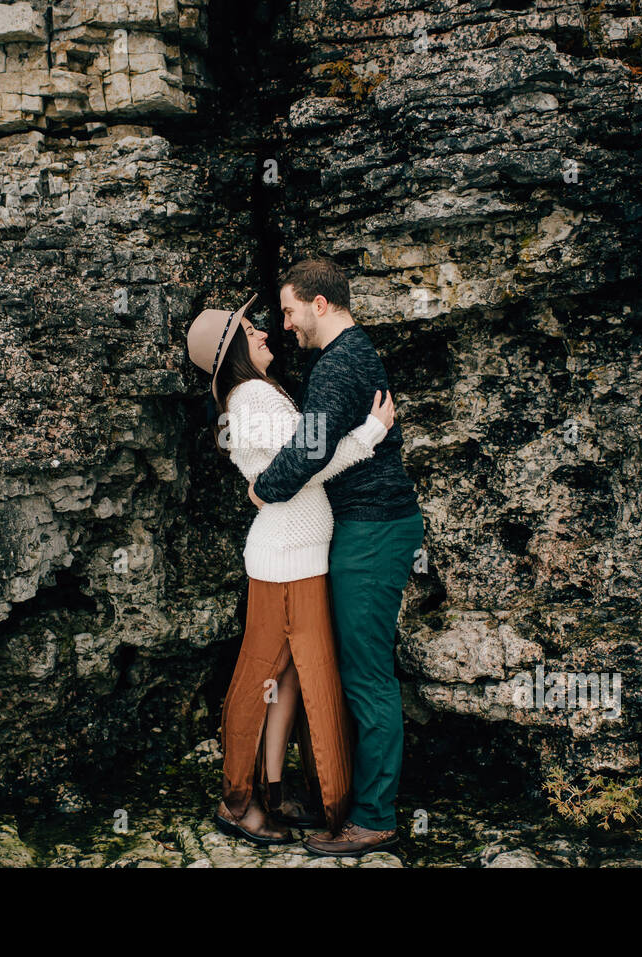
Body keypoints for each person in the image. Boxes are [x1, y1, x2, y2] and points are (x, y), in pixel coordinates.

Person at [186, 293, 396, 845]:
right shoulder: (252, 395)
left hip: (295, 555)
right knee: (263, 681)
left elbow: (294, 461)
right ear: (231, 347)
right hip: (284, 559)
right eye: (251, 331)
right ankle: (238, 801)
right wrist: (369, 436)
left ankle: (274, 790)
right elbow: (305, 461)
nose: (263, 335)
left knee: (286, 680)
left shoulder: (256, 393)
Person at [249, 259, 424, 857]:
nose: (286, 326)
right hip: (371, 527)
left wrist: (263, 488)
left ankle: (375, 816)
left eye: (291, 311)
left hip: (374, 531)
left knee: (367, 675)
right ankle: (350, 800)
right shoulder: (351, 356)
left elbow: (308, 450)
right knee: (360, 670)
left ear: (319, 304)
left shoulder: (337, 364)